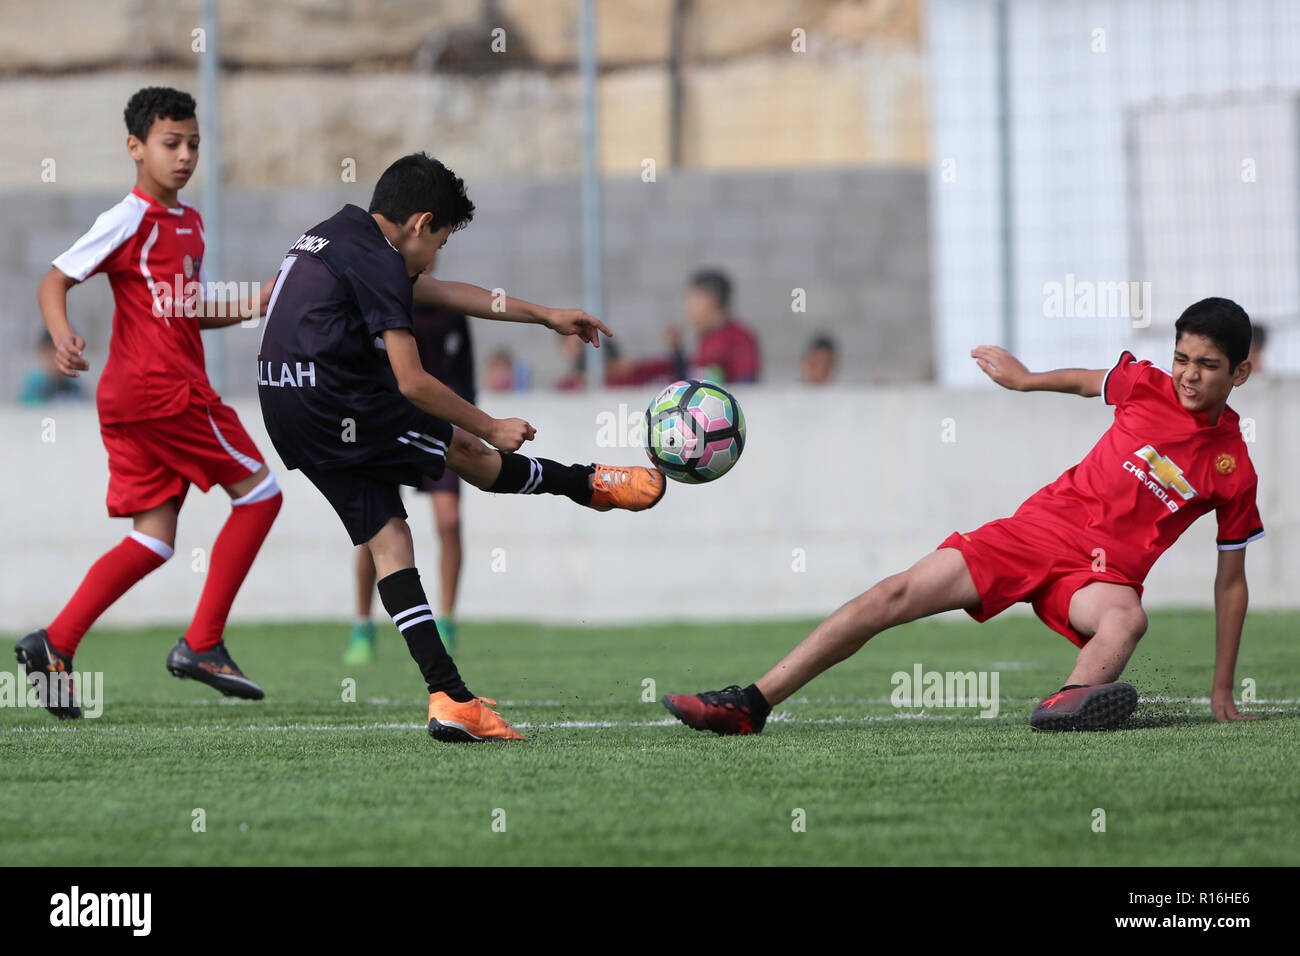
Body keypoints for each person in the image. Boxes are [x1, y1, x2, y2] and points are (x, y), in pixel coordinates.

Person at [663, 298, 1263, 734]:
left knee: (1127, 619)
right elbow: (1088, 381)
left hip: (1099, 580)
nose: (1188, 373)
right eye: (1182, 357)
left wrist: (1221, 684)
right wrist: (1025, 380)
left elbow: (1230, 583)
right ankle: (751, 704)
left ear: (1240, 372)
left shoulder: (1233, 468)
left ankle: (1072, 702)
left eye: (1207, 365)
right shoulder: (1146, 383)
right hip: (1033, 534)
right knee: (894, 594)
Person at [257, 152, 666, 743]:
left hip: (287, 409)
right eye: (441, 239)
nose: (437, 255)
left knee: (389, 539)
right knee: (475, 456)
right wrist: (491, 424)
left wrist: (545, 315)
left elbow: (445, 294)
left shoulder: (337, 234)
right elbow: (413, 382)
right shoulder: (377, 259)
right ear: (421, 224)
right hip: (338, 403)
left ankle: (449, 697)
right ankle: (587, 483)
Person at [17, 87, 280, 719]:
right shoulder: (129, 218)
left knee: (156, 538)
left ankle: (55, 644)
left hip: (137, 399)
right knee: (262, 494)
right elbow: (55, 279)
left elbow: (192, 308)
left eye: (193, 143)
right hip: (164, 391)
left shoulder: (189, 223)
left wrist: (262, 299)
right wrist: (62, 336)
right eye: (171, 143)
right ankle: (203, 642)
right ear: (136, 149)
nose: (185, 155)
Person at [347, 284, 475, 663]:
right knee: (375, 530)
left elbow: (463, 373)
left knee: (449, 522)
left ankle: (447, 622)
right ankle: (362, 627)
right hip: (388, 425)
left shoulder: (449, 308)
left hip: (439, 426)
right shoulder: (381, 300)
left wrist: (470, 422)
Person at [668, 269, 762, 384]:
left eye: (693, 299)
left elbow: (747, 386)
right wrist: (677, 351)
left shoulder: (739, 339)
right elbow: (694, 382)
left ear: (711, 300)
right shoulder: (706, 338)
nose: (688, 308)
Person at [18, 333, 85, 405]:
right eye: (51, 350)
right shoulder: (32, 387)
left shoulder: (75, 387)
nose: (56, 356)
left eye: (59, 351)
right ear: (42, 351)